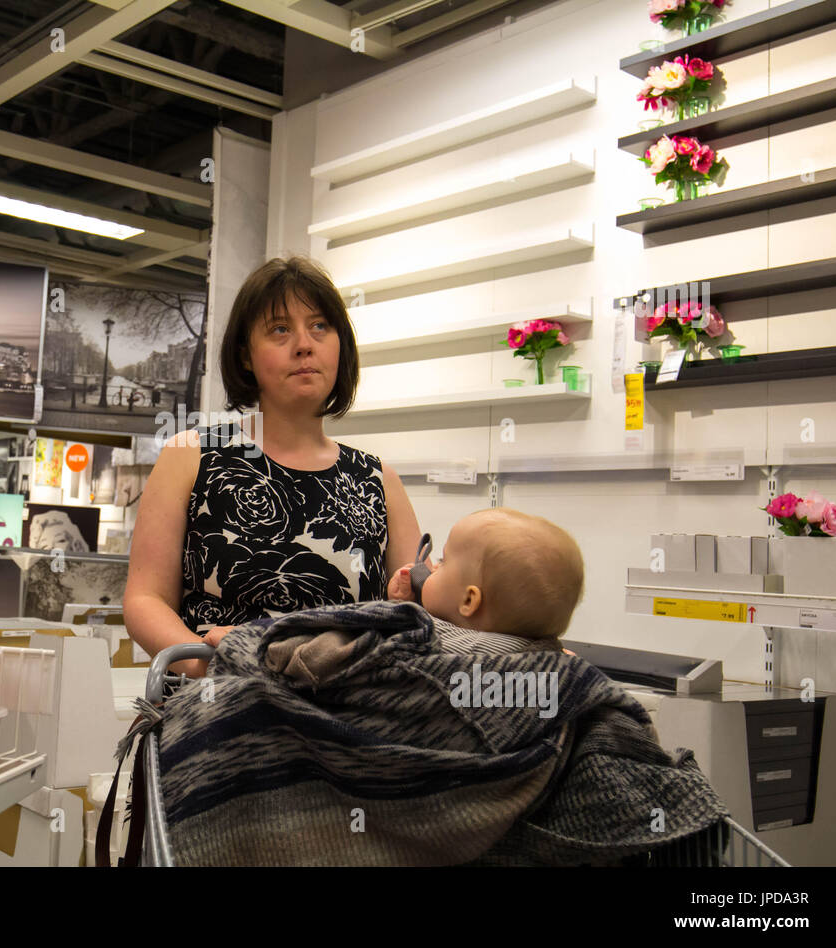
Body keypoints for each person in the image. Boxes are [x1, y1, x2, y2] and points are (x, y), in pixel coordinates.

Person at [124, 256, 421, 675]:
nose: (304, 343)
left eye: (320, 326)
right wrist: (210, 665)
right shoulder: (192, 455)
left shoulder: (378, 479)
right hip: (218, 709)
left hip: (347, 720)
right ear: (246, 356)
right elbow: (144, 600)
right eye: (280, 329)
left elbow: (414, 616)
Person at [390, 507, 585, 653]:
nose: (433, 567)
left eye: (443, 561)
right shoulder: (547, 658)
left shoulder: (441, 647)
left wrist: (399, 608)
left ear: (469, 600)